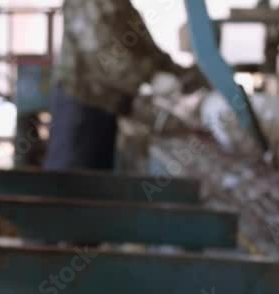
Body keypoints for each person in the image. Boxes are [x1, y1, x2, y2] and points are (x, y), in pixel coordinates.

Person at [46, 0, 197, 171]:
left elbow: (141, 42)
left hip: (107, 105)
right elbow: (102, 55)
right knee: (74, 181)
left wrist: (184, 75)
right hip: (83, 106)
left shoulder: (119, 3)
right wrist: (150, 76)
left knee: (97, 183)